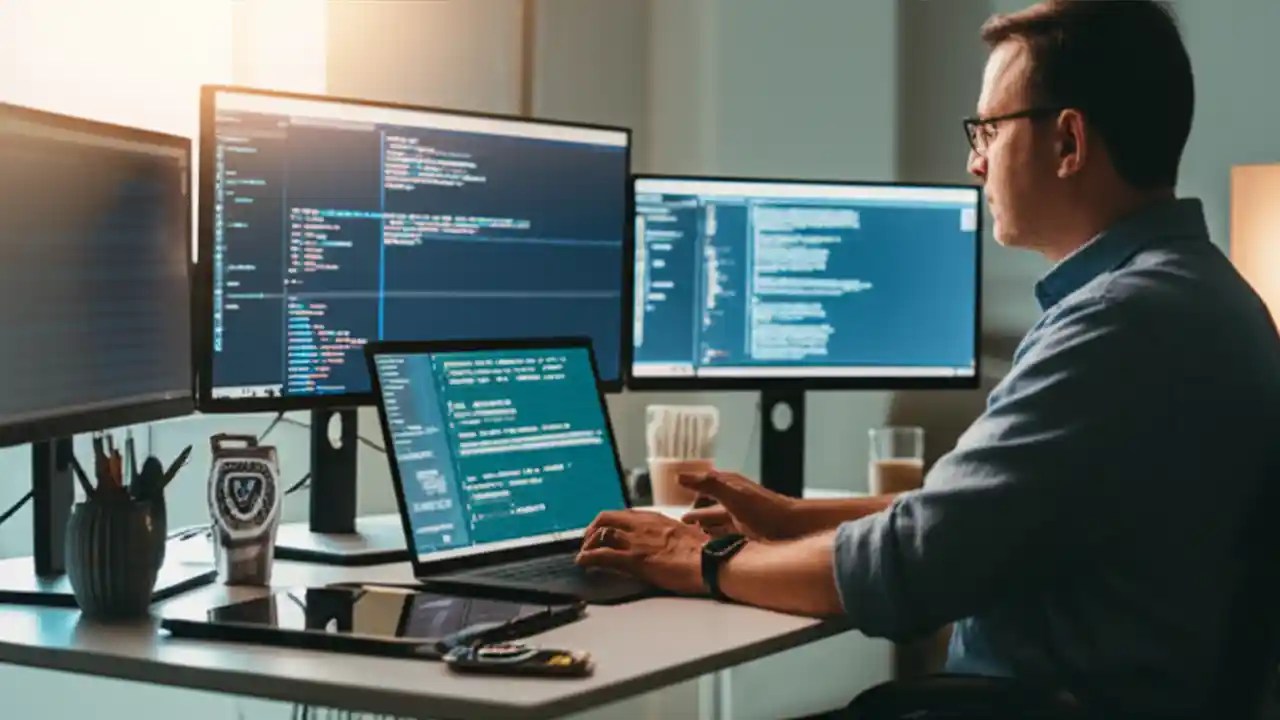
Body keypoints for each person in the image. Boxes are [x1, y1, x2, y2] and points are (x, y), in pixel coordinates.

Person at [576, 1, 1280, 716]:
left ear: (1068, 141)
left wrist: (695, 559)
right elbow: (978, 514)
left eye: (987, 130)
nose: (974, 161)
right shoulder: (1210, 296)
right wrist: (789, 518)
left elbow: (914, 565)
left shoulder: (1117, 321)